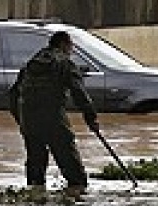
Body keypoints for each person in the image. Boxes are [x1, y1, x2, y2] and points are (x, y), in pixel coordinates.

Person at [7, 30, 98, 195]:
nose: (71, 51)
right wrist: (91, 118)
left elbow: (13, 95)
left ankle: (35, 204)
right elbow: (80, 93)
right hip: (53, 118)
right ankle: (75, 200)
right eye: (71, 47)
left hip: (29, 119)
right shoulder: (64, 63)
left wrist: (22, 121)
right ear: (64, 45)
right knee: (73, 171)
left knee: (36, 165)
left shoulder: (31, 64)